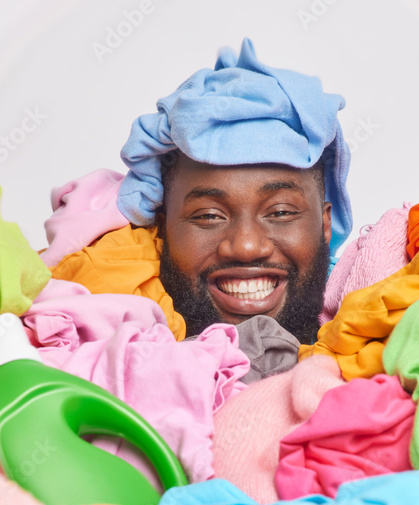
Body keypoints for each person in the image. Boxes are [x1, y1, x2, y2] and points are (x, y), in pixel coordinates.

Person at [115, 38, 353, 343]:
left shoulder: (385, 342)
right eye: (209, 216)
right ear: (162, 230)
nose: (246, 247)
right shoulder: (86, 347)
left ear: (325, 225)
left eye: (280, 212)